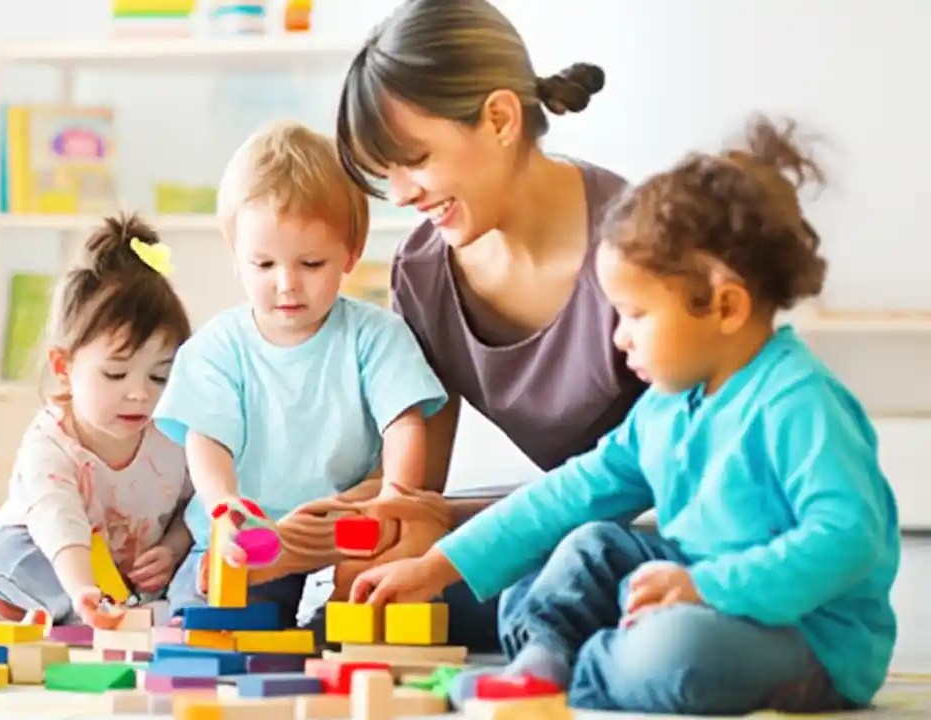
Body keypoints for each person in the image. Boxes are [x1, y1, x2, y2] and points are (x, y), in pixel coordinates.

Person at [349, 115, 900, 715]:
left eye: (635, 315)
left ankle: (572, 665)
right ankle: (542, 659)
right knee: (584, 546)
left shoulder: (797, 402)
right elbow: (569, 494)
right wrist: (438, 566)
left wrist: (705, 589)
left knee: (679, 651)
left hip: (808, 638)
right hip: (696, 586)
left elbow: (847, 539)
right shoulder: (667, 407)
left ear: (725, 306)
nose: (619, 338)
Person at [334, 0, 649, 650]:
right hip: (554, 524)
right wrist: (331, 519)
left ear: (501, 118)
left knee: (577, 565)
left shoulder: (642, 241)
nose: (400, 195)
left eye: (414, 159)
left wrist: (448, 528)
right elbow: (420, 488)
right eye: (383, 172)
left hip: (657, 525)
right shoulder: (423, 272)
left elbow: (665, 475)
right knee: (363, 577)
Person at [153, 120, 447, 628]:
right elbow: (208, 441)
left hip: (345, 527)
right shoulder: (216, 349)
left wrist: (396, 495)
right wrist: (224, 503)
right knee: (220, 617)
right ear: (237, 260)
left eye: (311, 263)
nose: (287, 284)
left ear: (350, 255)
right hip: (254, 535)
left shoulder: (376, 336)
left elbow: (404, 421)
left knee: (384, 608)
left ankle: (328, 619)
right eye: (264, 264)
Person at [0, 215, 194, 627]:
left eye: (160, 375)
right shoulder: (50, 443)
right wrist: (81, 589)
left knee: (207, 562)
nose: (141, 393)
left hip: (132, 575)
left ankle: (134, 610)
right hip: (54, 558)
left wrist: (175, 547)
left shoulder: (173, 430)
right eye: (115, 374)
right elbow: (58, 522)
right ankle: (88, 611)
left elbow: (195, 502)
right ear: (63, 367)